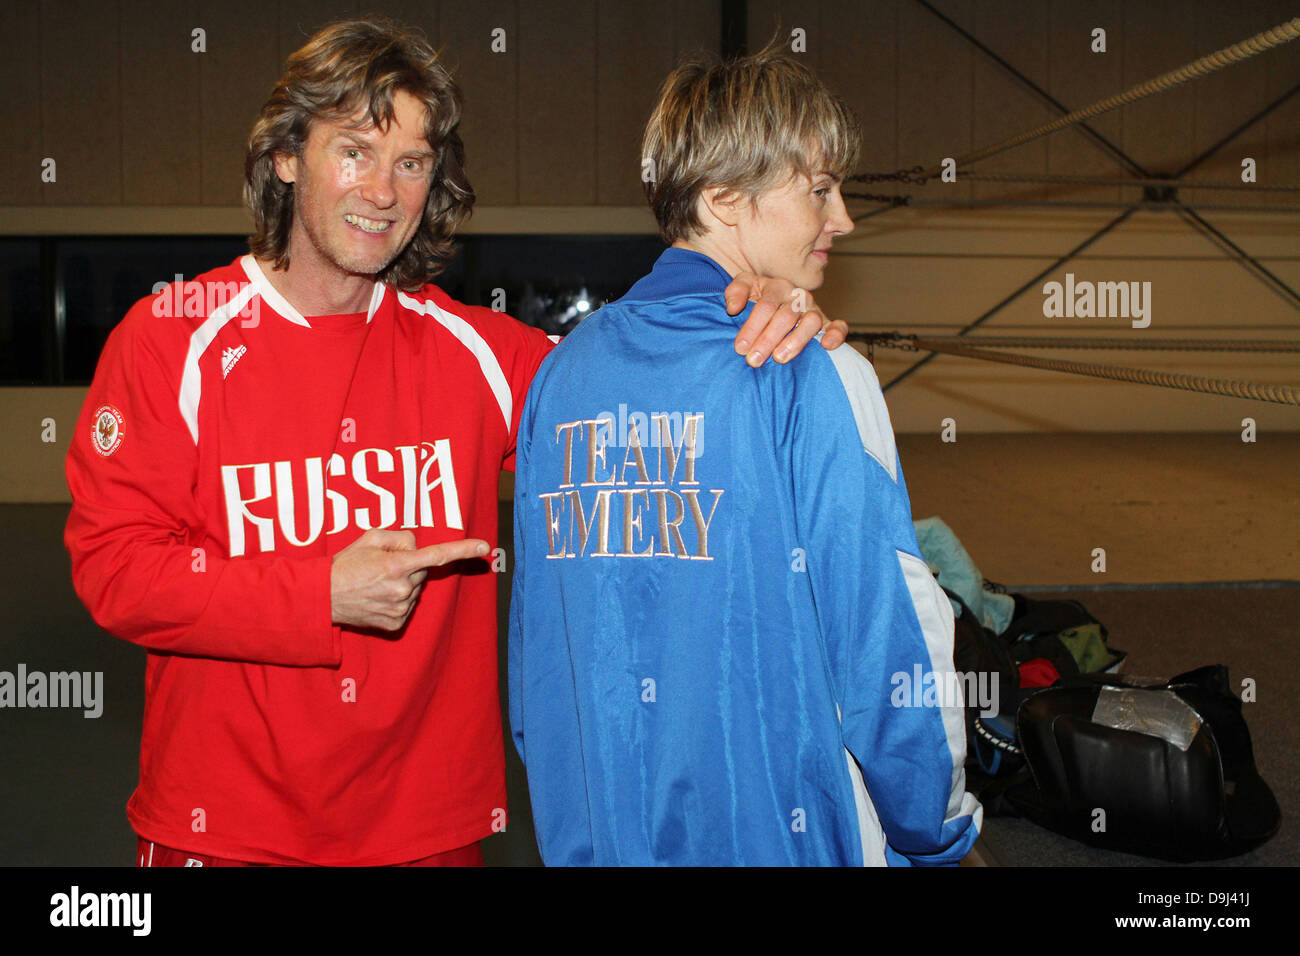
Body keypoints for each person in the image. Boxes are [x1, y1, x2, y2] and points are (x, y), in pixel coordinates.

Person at [64, 19, 845, 867]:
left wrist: (752, 302)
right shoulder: (171, 341)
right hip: (227, 830)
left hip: (428, 836)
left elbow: (646, 383)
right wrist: (316, 591)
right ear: (287, 156)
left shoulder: (481, 355)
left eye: (412, 162)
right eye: (355, 150)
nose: (385, 191)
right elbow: (116, 569)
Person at [508, 43, 982, 865]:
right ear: (726, 199)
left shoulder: (562, 377)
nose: (844, 220)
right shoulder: (817, 372)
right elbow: (892, 643)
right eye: (820, 191)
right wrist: (937, 828)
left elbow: (537, 668)